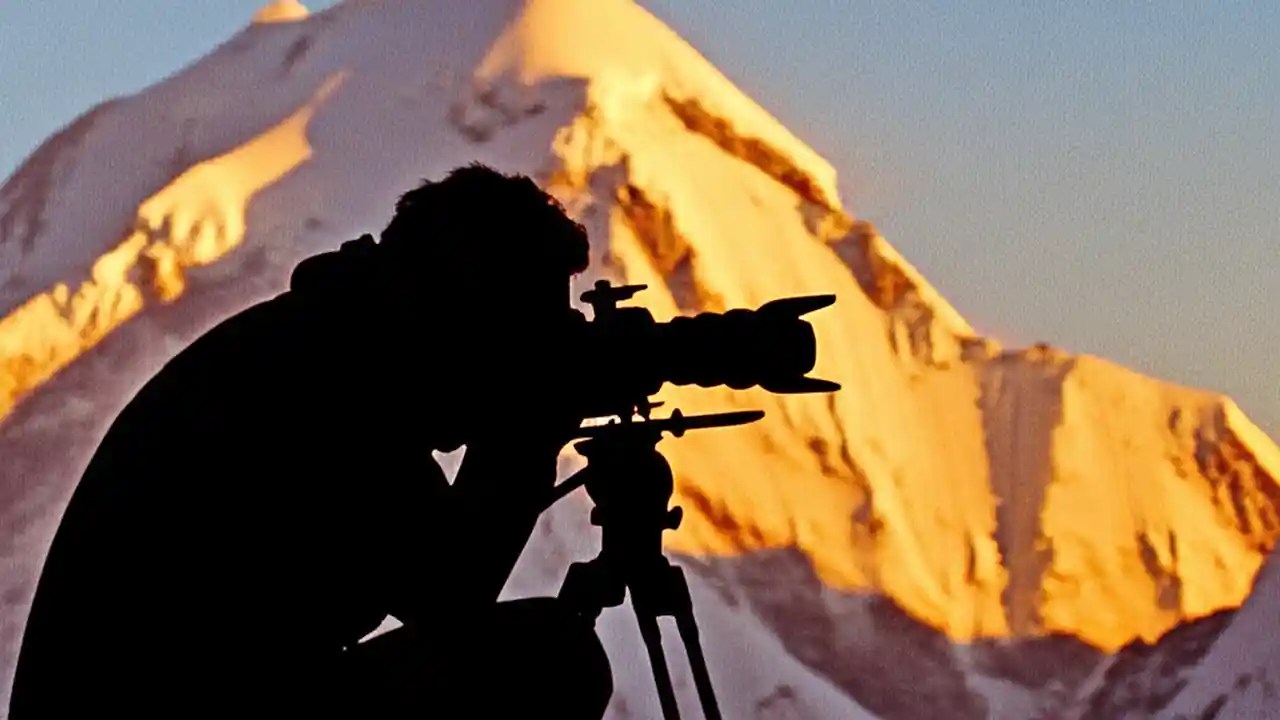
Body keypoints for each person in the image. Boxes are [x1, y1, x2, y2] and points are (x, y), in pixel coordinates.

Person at [9, 164, 614, 719]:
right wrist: (527, 430)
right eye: (517, 342)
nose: (516, 367)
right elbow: (449, 593)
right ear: (464, 311)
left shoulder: (320, 341)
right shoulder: (325, 378)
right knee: (549, 657)